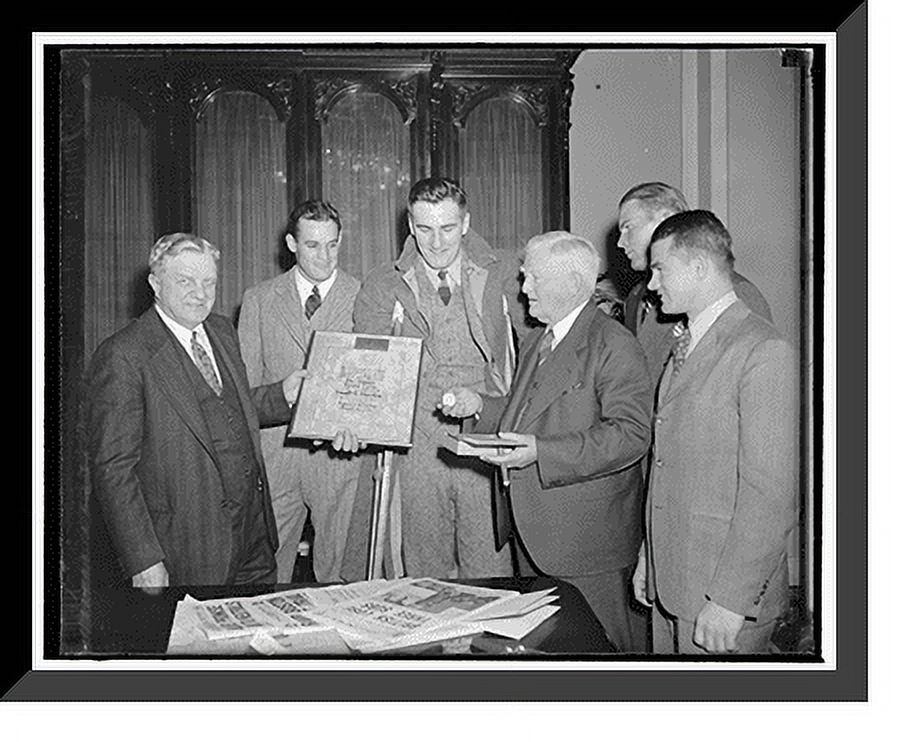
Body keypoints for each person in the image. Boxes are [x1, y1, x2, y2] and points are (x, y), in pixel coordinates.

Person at [441, 231, 653, 652]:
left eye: (532, 278)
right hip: (534, 533)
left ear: (574, 285)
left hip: (585, 545)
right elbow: (529, 412)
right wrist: (479, 406)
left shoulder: (613, 344)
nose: (523, 289)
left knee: (599, 658)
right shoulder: (541, 338)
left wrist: (541, 453)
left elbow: (630, 436)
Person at [85, 233, 306, 587]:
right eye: (185, 281)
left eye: (209, 282)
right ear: (156, 283)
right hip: (188, 547)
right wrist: (143, 557)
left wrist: (283, 395)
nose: (200, 293)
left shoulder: (221, 330)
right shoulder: (124, 355)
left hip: (255, 535)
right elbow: (113, 469)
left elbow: (231, 409)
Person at [345, 176, 528, 579]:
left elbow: (534, 354)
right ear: (410, 225)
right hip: (416, 447)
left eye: (448, 228)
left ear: (465, 223)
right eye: (425, 229)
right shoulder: (382, 284)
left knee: (490, 570)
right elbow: (367, 374)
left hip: (483, 440)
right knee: (423, 573)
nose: (438, 242)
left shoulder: (505, 276)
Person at [632, 211, 796, 654]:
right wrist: (651, 555)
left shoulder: (763, 350)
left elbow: (771, 494)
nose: (651, 283)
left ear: (698, 267)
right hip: (674, 583)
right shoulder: (686, 342)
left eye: (660, 268)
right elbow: (666, 465)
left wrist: (730, 599)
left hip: (721, 599)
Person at [238, 200, 364, 583]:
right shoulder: (258, 300)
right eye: (312, 245)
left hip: (340, 459)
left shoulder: (364, 297)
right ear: (291, 244)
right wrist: (283, 393)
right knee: (268, 572)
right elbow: (244, 396)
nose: (324, 256)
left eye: (332, 244)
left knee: (340, 576)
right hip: (277, 458)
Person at [616, 182, 772, 379]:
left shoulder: (737, 294)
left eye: (628, 227)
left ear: (665, 219)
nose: (621, 243)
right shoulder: (637, 298)